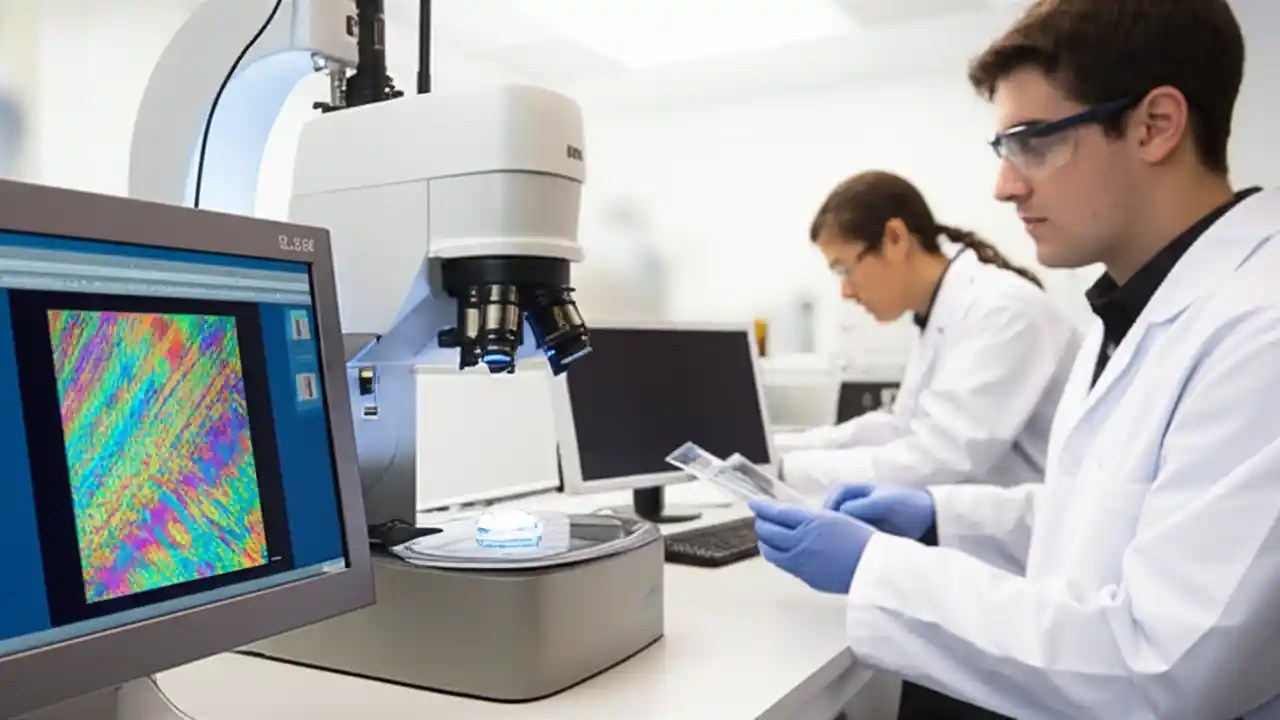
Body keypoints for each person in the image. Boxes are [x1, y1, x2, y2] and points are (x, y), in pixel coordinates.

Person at [749, 1, 1280, 718]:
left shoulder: (1259, 331)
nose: (1005, 185)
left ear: (1156, 125)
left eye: (1031, 141)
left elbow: (1165, 671)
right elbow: (1093, 515)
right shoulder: (1130, 305)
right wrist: (941, 517)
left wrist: (877, 565)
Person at [778, 171, 1079, 496]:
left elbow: (940, 458)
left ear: (894, 238)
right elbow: (900, 427)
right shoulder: (939, 314)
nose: (846, 292)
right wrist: (776, 449)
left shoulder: (1002, 310)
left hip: (1034, 533)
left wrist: (785, 469)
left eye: (844, 270)